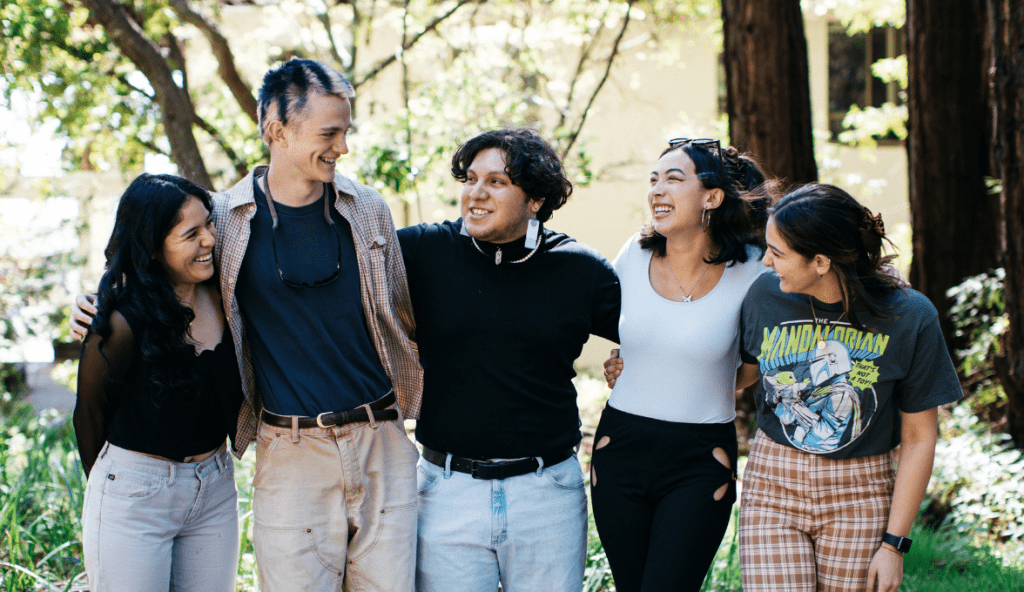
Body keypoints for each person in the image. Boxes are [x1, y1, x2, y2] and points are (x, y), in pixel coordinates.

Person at [72, 58, 423, 592]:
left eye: (346, 131)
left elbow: (402, 309)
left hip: (383, 441)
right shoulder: (224, 221)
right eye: (330, 133)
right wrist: (96, 304)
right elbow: (156, 264)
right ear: (276, 130)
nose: (343, 147)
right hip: (290, 450)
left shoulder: (368, 209)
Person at [397, 128, 621, 592]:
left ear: (535, 199)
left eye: (496, 182)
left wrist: (630, 361)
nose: (475, 194)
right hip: (445, 491)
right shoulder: (424, 251)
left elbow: (660, 335)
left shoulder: (579, 270)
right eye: (470, 179)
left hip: (546, 496)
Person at [737, 183, 962, 592]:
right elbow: (744, 375)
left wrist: (893, 546)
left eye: (778, 252)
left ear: (820, 261)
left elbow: (918, 437)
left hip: (860, 493)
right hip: (773, 481)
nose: (767, 260)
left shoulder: (910, 316)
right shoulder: (764, 296)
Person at [590, 139, 769, 592]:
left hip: (700, 457)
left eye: (673, 179)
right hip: (620, 448)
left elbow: (752, 369)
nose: (657, 190)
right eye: (653, 180)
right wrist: (621, 361)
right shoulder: (634, 252)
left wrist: (698, 374)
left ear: (712, 197)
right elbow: (627, 335)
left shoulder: (754, 270)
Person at [75, 173, 243, 591]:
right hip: (134, 496)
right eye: (191, 234)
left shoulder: (228, 296)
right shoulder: (122, 320)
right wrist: (118, 491)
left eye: (209, 225)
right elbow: (89, 413)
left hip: (215, 490)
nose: (209, 240)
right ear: (153, 247)